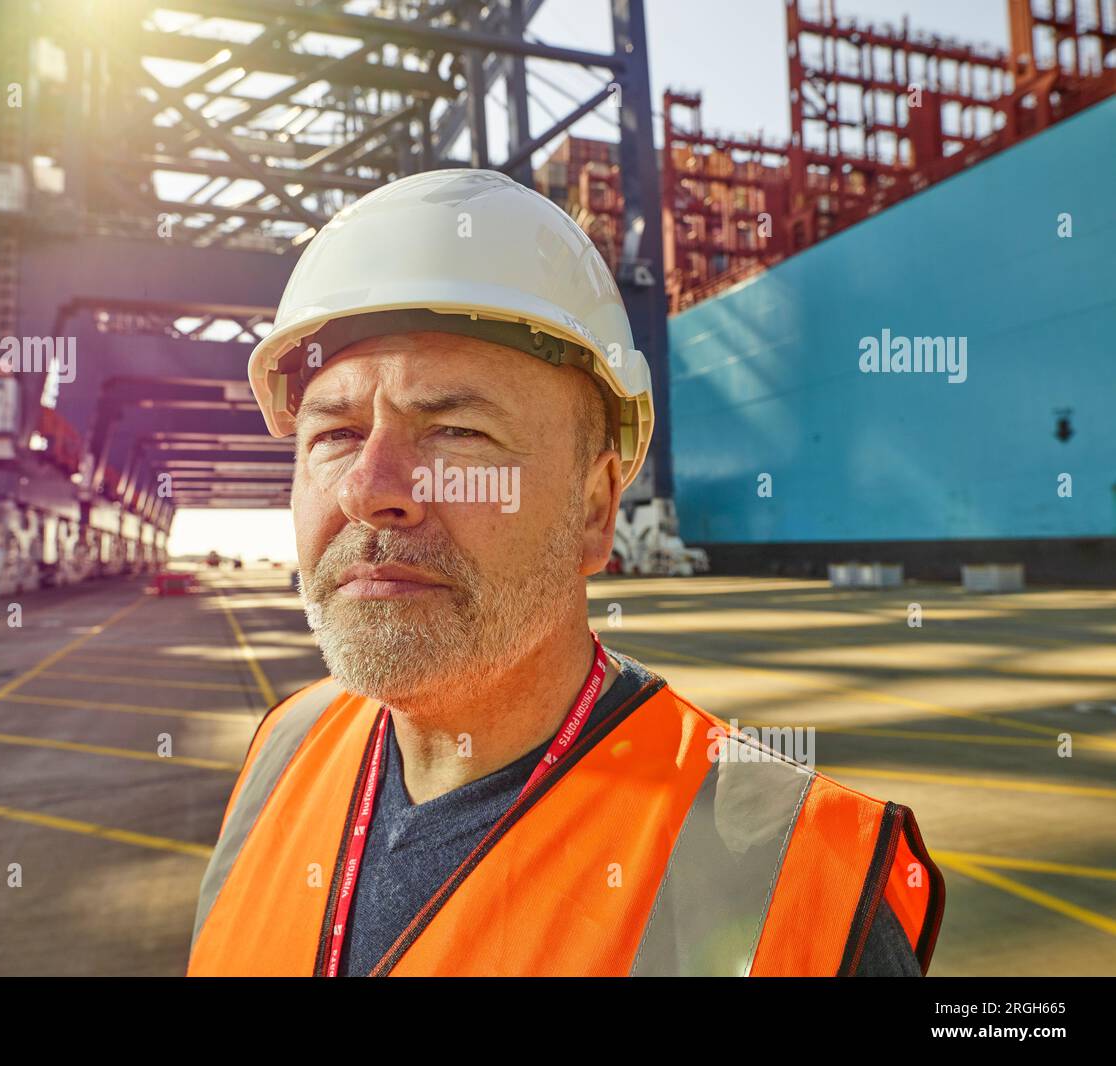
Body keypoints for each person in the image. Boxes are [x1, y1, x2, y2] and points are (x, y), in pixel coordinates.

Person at [187, 169, 944, 977]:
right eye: (333, 434)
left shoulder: (798, 879)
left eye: (457, 431)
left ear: (594, 508)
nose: (372, 490)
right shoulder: (283, 751)